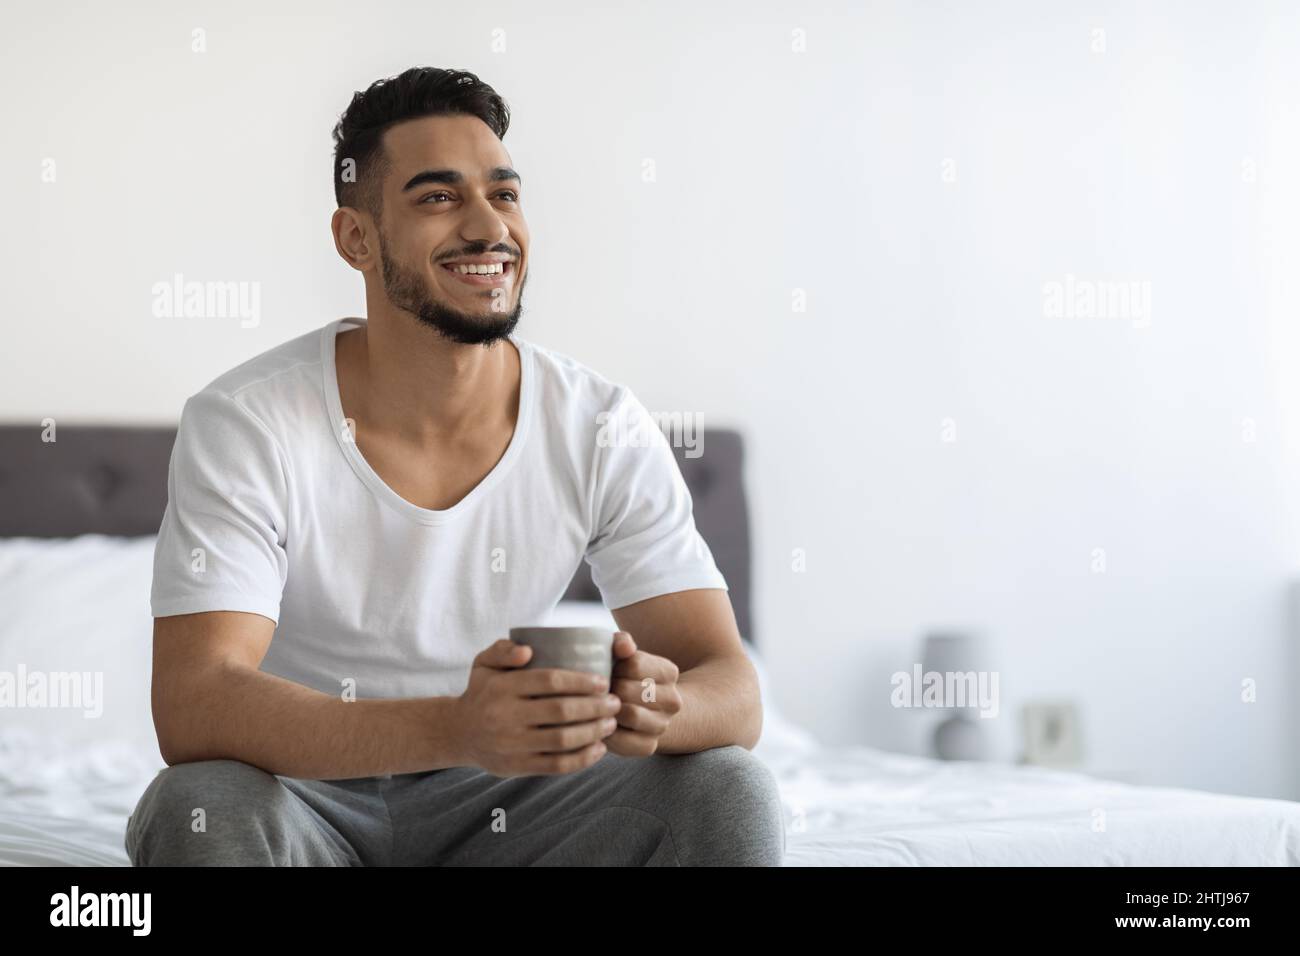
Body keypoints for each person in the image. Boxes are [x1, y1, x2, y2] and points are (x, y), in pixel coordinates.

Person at [125, 66, 785, 866]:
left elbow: (732, 686)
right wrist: (458, 724)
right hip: (302, 792)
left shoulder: (599, 423)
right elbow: (194, 703)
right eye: (438, 197)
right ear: (356, 239)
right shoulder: (248, 422)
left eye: (504, 195)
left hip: (517, 799)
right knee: (200, 803)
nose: (487, 228)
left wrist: (638, 708)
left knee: (727, 787)